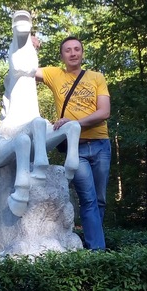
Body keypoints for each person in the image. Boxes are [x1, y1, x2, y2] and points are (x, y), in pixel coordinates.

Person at [34, 36, 111, 250]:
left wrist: (74, 123)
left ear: (82, 53)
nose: (73, 53)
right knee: (88, 199)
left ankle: (95, 242)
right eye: (68, 50)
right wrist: (26, 43)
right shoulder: (54, 75)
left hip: (101, 144)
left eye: (77, 49)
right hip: (75, 148)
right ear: (62, 56)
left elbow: (104, 112)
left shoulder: (97, 77)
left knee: (100, 199)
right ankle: (98, 250)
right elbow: (24, 70)